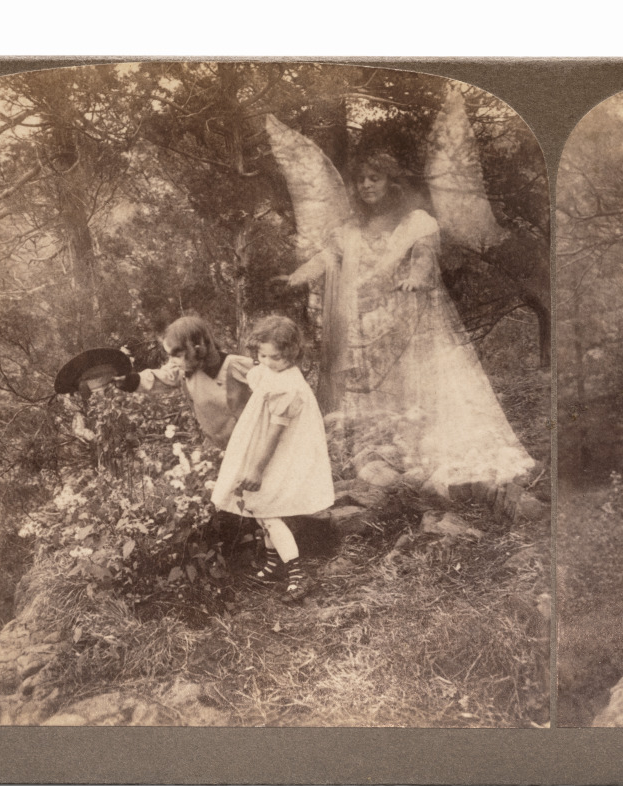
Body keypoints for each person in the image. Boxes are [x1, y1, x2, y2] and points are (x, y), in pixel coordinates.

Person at [284, 150, 533, 498]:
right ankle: (383, 460)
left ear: (392, 182)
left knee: (414, 385)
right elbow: (326, 258)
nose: (367, 185)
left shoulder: (416, 221)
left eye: (375, 178)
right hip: (366, 325)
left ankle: (418, 457)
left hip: (407, 321)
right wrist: (296, 276)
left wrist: (416, 278)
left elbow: (424, 255)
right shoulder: (350, 229)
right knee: (375, 392)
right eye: (361, 180)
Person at [211, 315, 336, 600]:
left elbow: (276, 433)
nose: (267, 362)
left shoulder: (288, 386)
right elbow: (257, 375)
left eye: (276, 357)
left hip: (280, 450)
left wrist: (255, 468)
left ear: (292, 353)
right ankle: (273, 563)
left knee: (266, 509)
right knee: (262, 508)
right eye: (262, 355)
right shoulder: (271, 371)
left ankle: (297, 573)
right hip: (267, 443)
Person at [111, 316, 254, 449]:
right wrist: (129, 380)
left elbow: (272, 381)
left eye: (177, 355)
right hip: (219, 447)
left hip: (251, 444)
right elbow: (161, 376)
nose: (171, 360)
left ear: (198, 348)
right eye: (169, 355)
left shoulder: (236, 367)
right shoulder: (184, 371)